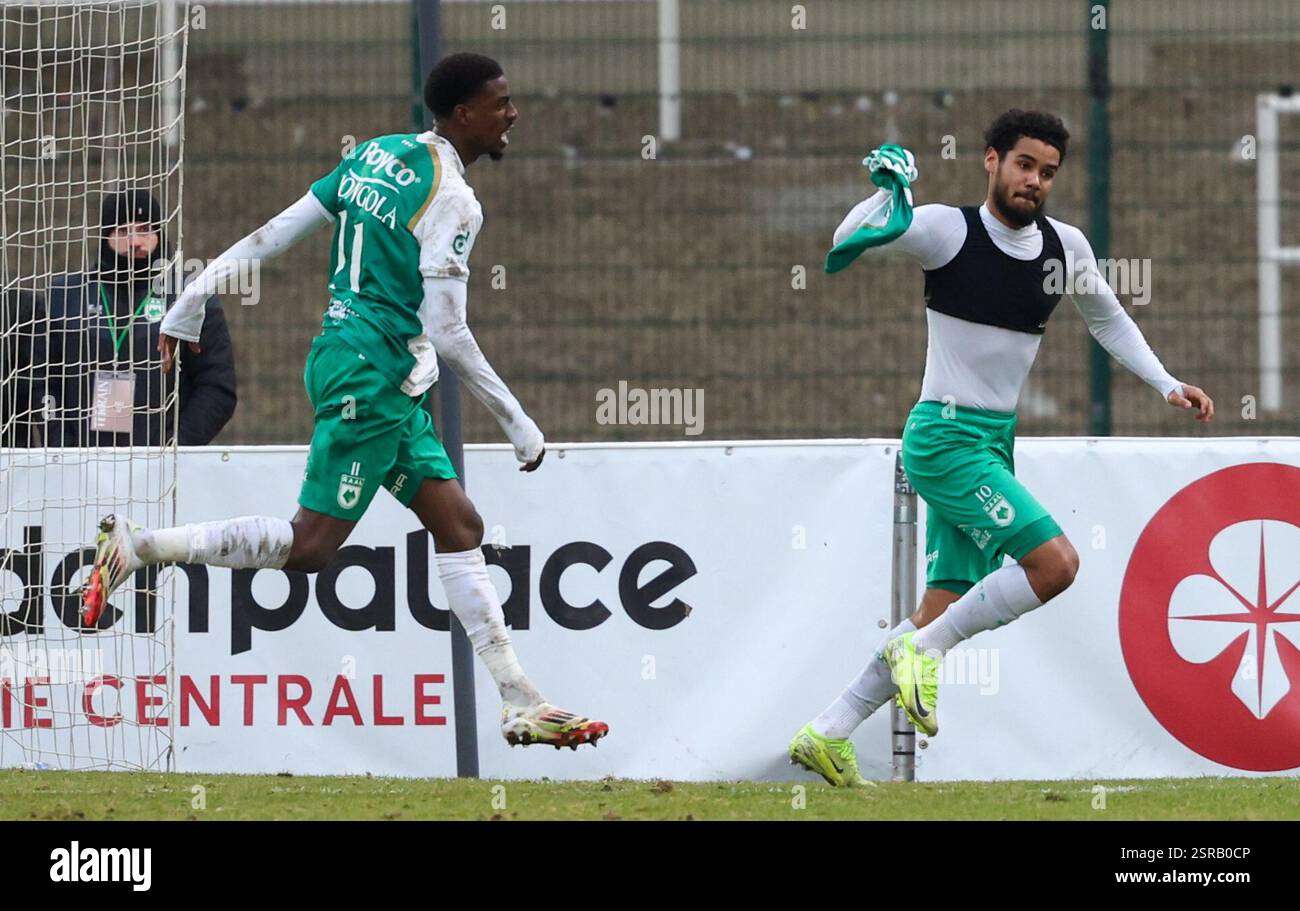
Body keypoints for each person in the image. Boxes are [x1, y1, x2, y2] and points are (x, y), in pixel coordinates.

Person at [79, 52, 607, 751]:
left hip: (358, 366)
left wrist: (192, 296)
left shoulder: (376, 154)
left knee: (459, 525)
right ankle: (139, 548)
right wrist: (519, 422)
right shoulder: (453, 197)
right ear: (462, 114)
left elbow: (277, 231)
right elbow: (448, 329)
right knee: (309, 548)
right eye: (501, 102)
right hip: (371, 379)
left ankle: (522, 701)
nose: (512, 114)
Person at [790, 109, 1214, 787]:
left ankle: (827, 732)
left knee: (942, 604)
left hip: (991, 440)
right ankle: (919, 655)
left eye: (1048, 172)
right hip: (944, 436)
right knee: (1055, 564)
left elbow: (1107, 317)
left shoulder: (1064, 247)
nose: (1035, 181)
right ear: (991, 160)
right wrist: (884, 195)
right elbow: (848, 238)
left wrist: (1166, 383)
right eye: (1024, 165)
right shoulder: (945, 229)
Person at [44, 189, 236, 447]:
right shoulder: (64, 297)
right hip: (77, 467)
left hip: (160, 472)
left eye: (145, 229)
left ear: (159, 234)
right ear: (105, 238)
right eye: (123, 231)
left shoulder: (191, 299)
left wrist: (175, 447)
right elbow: (41, 384)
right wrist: (63, 448)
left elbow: (216, 387)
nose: (135, 241)